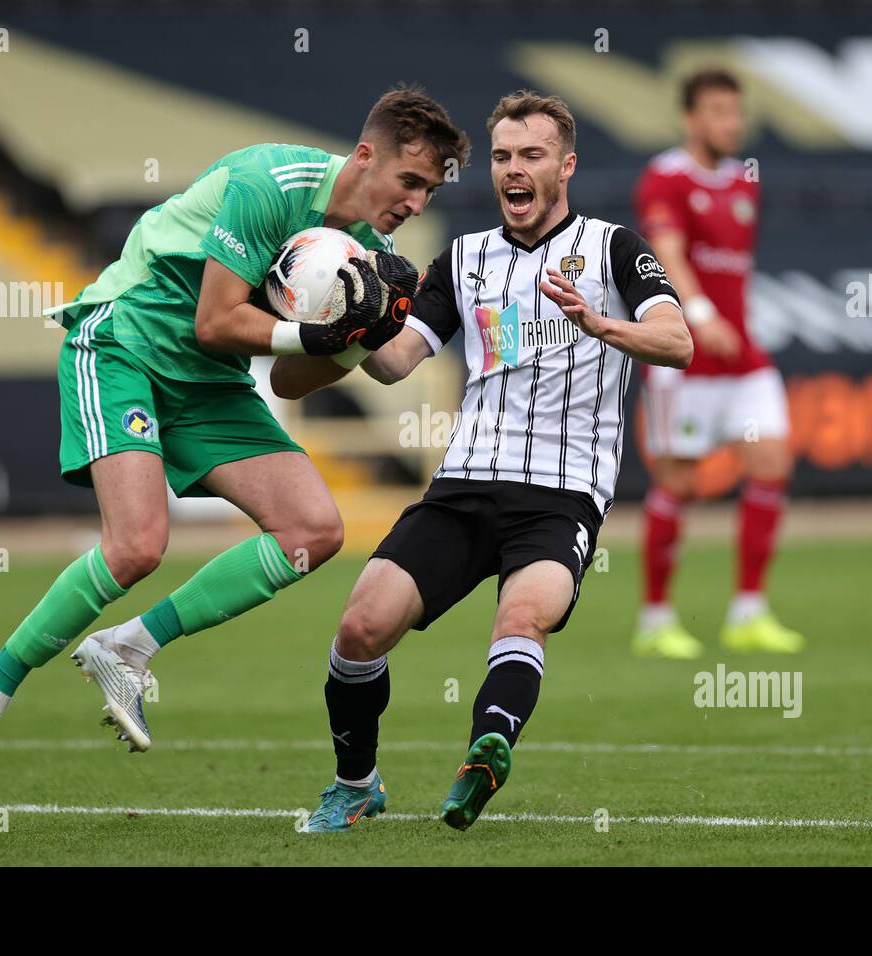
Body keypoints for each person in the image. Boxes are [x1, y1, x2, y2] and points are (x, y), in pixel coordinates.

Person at [0, 86, 471, 809]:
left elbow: (289, 376)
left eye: (430, 190)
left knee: (314, 530)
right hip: (125, 343)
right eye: (410, 180)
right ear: (365, 155)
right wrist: (325, 331)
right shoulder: (268, 184)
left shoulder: (370, 253)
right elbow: (217, 322)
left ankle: (131, 647)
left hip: (206, 384)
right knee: (136, 546)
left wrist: (362, 332)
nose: (416, 201)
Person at [273, 90, 692, 832]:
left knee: (522, 615)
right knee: (360, 628)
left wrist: (599, 323)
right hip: (465, 484)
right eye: (502, 157)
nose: (513, 170)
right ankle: (356, 782)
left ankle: (484, 753)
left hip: (563, 493)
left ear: (565, 165)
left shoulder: (613, 248)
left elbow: (677, 341)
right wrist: (352, 315)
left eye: (531, 155)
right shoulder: (462, 259)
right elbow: (397, 364)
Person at [631, 68, 803, 660]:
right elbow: (668, 251)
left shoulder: (745, 183)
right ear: (691, 118)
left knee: (773, 462)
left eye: (736, 111)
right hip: (684, 358)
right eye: (718, 112)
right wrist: (699, 313)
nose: (731, 123)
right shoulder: (666, 177)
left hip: (744, 358)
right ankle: (656, 619)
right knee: (679, 484)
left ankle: (748, 611)